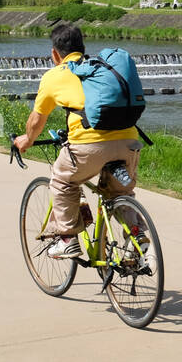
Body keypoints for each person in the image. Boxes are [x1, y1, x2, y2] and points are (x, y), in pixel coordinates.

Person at [14, 23, 142, 260]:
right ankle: (138, 235)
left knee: (62, 181)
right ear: (82, 48)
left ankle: (67, 238)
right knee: (118, 193)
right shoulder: (100, 69)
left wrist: (27, 140)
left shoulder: (54, 76)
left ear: (55, 54)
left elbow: (36, 120)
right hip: (129, 142)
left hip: (88, 146)